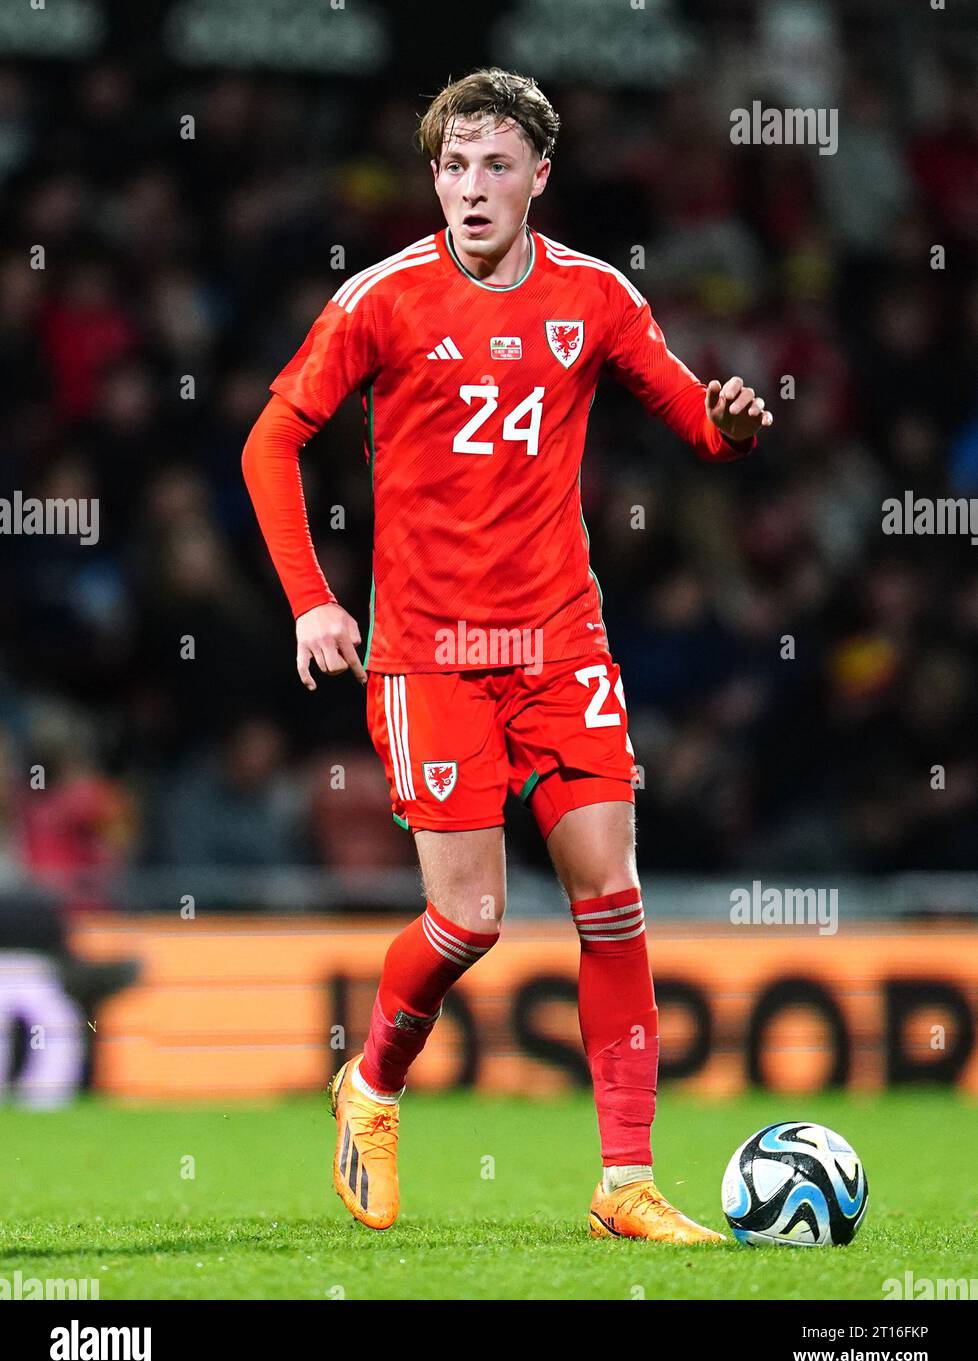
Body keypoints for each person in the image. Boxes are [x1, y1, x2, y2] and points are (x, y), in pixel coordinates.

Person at [242, 67, 773, 1243]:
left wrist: (728, 427)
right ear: (432, 176)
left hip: (560, 641)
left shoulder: (596, 297)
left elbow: (691, 414)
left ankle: (624, 1179)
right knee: (470, 920)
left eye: (493, 166)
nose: (469, 189)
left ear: (541, 175)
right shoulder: (382, 300)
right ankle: (372, 1083)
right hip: (430, 657)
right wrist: (310, 601)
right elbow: (270, 443)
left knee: (613, 901)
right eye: (450, 166)